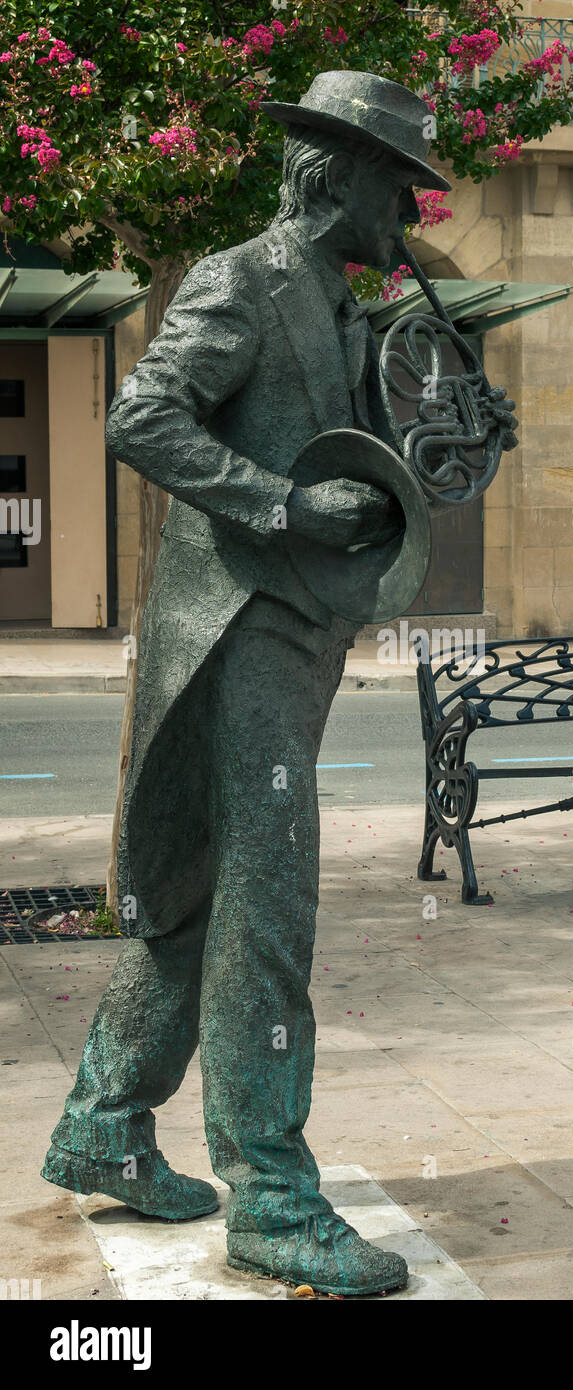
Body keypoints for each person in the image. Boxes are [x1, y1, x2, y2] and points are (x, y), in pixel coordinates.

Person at [41, 71, 465, 1298]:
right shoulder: (244, 278)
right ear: (334, 178)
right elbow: (142, 418)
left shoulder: (343, 304)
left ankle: (105, 1126)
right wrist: (279, 503)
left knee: (189, 898)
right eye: (398, 188)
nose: (409, 217)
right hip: (236, 627)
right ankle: (272, 1196)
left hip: (292, 630)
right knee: (267, 905)